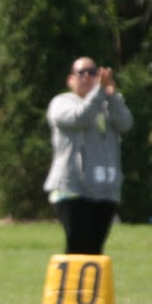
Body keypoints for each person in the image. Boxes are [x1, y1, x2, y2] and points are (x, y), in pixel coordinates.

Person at [43, 56, 133, 255]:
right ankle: (69, 287)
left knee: (95, 250)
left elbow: (125, 123)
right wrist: (100, 91)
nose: (87, 77)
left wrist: (112, 95)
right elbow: (80, 117)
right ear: (70, 80)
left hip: (105, 189)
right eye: (81, 73)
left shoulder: (107, 102)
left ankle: (90, 287)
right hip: (72, 188)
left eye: (92, 72)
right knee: (77, 247)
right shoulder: (60, 103)